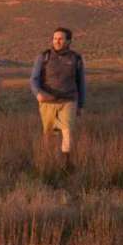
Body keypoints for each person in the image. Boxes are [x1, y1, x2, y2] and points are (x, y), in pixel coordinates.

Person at [29, 27, 85, 169]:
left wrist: (81, 105)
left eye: (60, 39)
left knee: (67, 131)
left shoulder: (76, 58)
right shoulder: (44, 56)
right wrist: (37, 93)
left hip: (68, 100)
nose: (57, 41)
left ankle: (67, 164)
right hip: (47, 101)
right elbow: (33, 79)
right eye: (54, 38)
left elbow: (81, 82)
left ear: (68, 41)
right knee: (49, 134)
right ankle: (50, 162)